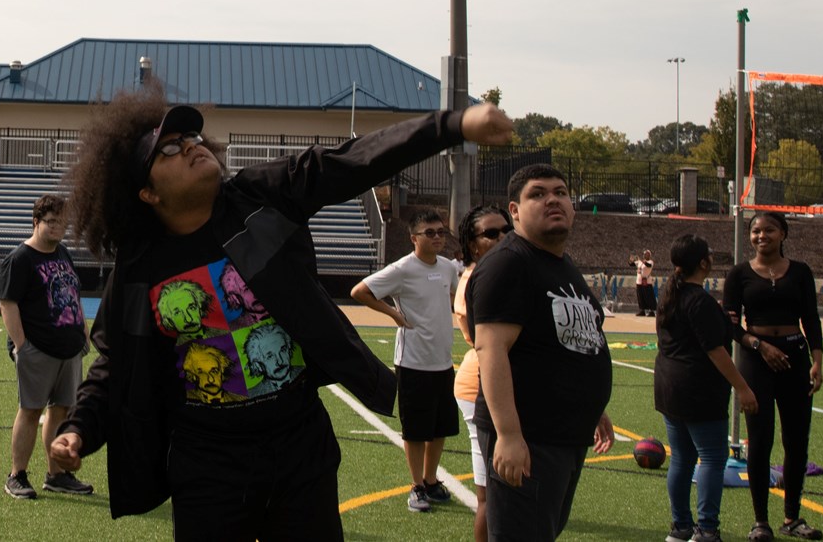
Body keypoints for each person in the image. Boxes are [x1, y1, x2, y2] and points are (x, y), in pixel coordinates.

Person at [47, 84, 513, 539]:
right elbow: (116, 365)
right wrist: (78, 430)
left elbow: (349, 162)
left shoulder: (261, 197)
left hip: (299, 446)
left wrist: (451, 125)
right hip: (207, 463)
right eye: (169, 150)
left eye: (191, 139)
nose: (191, 147)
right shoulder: (139, 270)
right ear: (147, 193)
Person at [466, 163, 614, 542]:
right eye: (538, 193)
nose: (553, 200)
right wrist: (509, 435)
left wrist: (594, 408)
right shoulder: (509, 264)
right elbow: (491, 349)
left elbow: (575, 341)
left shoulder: (561, 264)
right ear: (514, 211)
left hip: (564, 434)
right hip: (531, 436)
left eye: (561, 192)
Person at [351, 208, 463, 513]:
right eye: (430, 233)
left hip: (442, 361)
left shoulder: (448, 268)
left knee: (440, 427)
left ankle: (430, 480)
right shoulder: (402, 268)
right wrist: (392, 313)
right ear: (414, 238)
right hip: (413, 362)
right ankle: (416, 487)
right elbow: (360, 291)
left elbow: (456, 298)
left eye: (441, 232)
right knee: (416, 429)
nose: (438, 237)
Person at [724, 212, 823, 542]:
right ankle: (760, 522)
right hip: (755, 360)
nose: (761, 236)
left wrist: (817, 362)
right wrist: (759, 345)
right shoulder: (738, 275)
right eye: (755, 231)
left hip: (795, 359)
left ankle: (792, 518)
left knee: (796, 442)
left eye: (769, 229)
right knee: (761, 441)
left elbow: (811, 319)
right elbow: (730, 326)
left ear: (783, 233)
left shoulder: (801, 273)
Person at [656, 234, 759, 542]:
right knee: (712, 458)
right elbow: (716, 351)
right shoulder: (699, 300)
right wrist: (743, 388)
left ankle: (681, 527)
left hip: (669, 385)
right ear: (703, 262)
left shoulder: (670, 294)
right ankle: (708, 529)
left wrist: (719, 318)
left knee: (682, 459)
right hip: (697, 388)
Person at [0, 194, 93, 500]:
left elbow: (72, 292)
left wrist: (83, 329)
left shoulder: (62, 252)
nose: (57, 228)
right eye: (51, 222)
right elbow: (7, 302)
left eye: (62, 223)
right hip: (38, 348)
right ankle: (16, 475)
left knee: (62, 410)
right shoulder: (20, 258)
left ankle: (56, 474)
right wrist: (22, 346)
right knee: (31, 410)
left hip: (69, 347)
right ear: (36, 222)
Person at [453, 202, 513, 542]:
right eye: (492, 233)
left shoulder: (501, 272)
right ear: (473, 244)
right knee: (489, 496)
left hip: (499, 384)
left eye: (507, 230)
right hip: (481, 387)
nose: (503, 237)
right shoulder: (477, 278)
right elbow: (489, 344)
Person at [634, 248, 658, 317]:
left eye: (647, 254)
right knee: (640, 296)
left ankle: (652, 311)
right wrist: (632, 259)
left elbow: (648, 265)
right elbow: (631, 263)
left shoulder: (650, 262)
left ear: (649, 255)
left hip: (647, 282)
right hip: (639, 281)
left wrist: (643, 261)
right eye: (645, 254)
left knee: (648, 296)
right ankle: (642, 310)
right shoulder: (640, 262)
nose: (645, 255)